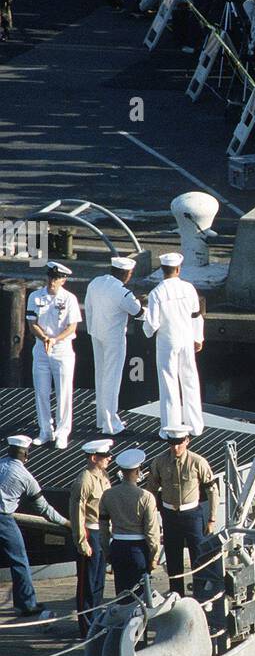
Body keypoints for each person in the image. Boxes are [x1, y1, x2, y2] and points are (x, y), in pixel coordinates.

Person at [0, 435, 69, 618]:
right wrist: (65, 522)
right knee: (19, 560)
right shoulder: (25, 477)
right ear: (26, 454)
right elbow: (43, 508)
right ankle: (26, 604)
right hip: (3, 519)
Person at [146, 427, 218, 598]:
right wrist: (152, 516)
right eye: (172, 443)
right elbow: (151, 490)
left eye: (179, 443)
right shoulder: (160, 462)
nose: (175, 448)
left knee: (198, 556)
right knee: (173, 558)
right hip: (170, 515)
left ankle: (201, 594)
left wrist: (212, 519)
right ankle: (176, 595)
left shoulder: (197, 462)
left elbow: (212, 490)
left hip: (192, 514)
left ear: (186, 441)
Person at [142, 252, 204, 438]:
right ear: (178, 269)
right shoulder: (189, 288)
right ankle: (195, 426)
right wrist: (198, 337)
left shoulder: (156, 293)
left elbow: (152, 325)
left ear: (162, 270)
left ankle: (171, 428)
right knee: (190, 380)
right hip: (186, 338)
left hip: (168, 342)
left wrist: (144, 323)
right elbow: (196, 315)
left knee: (169, 383)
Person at [84, 256, 144, 436]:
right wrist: (143, 304)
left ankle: (101, 419)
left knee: (100, 376)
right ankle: (111, 424)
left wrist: (91, 329)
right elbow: (138, 313)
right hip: (113, 339)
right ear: (126, 273)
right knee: (112, 378)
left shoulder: (96, 282)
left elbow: (88, 307)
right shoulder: (122, 292)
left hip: (96, 333)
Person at [27, 262, 81, 449]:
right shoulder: (35, 296)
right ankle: (45, 430)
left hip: (62, 350)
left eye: (57, 278)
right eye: (50, 277)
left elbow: (72, 326)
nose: (52, 281)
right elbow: (32, 322)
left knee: (63, 392)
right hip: (41, 348)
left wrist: (55, 340)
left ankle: (63, 431)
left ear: (63, 280)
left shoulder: (69, 299)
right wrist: (45, 338)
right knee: (41, 391)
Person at [99, 448, 161, 598]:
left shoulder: (108, 495)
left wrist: (107, 551)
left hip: (118, 547)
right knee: (140, 597)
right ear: (138, 471)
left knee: (122, 594)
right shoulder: (146, 497)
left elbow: (103, 527)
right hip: (138, 549)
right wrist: (154, 556)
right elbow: (151, 531)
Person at [70, 439, 113, 637]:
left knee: (99, 582)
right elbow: (77, 510)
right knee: (87, 584)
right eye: (105, 456)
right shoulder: (85, 480)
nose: (109, 459)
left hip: (102, 533)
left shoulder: (103, 477)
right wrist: (81, 541)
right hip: (90, 533)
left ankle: (96, 620)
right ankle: (86, 626)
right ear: (94, 458)